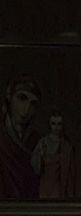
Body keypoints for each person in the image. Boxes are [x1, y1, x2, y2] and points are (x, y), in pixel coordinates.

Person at [0, 73, 40, 202]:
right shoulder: (2, 136)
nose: (26, 109)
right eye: (22, 98)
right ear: (9, 98)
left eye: (32, 104)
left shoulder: (37, 140)